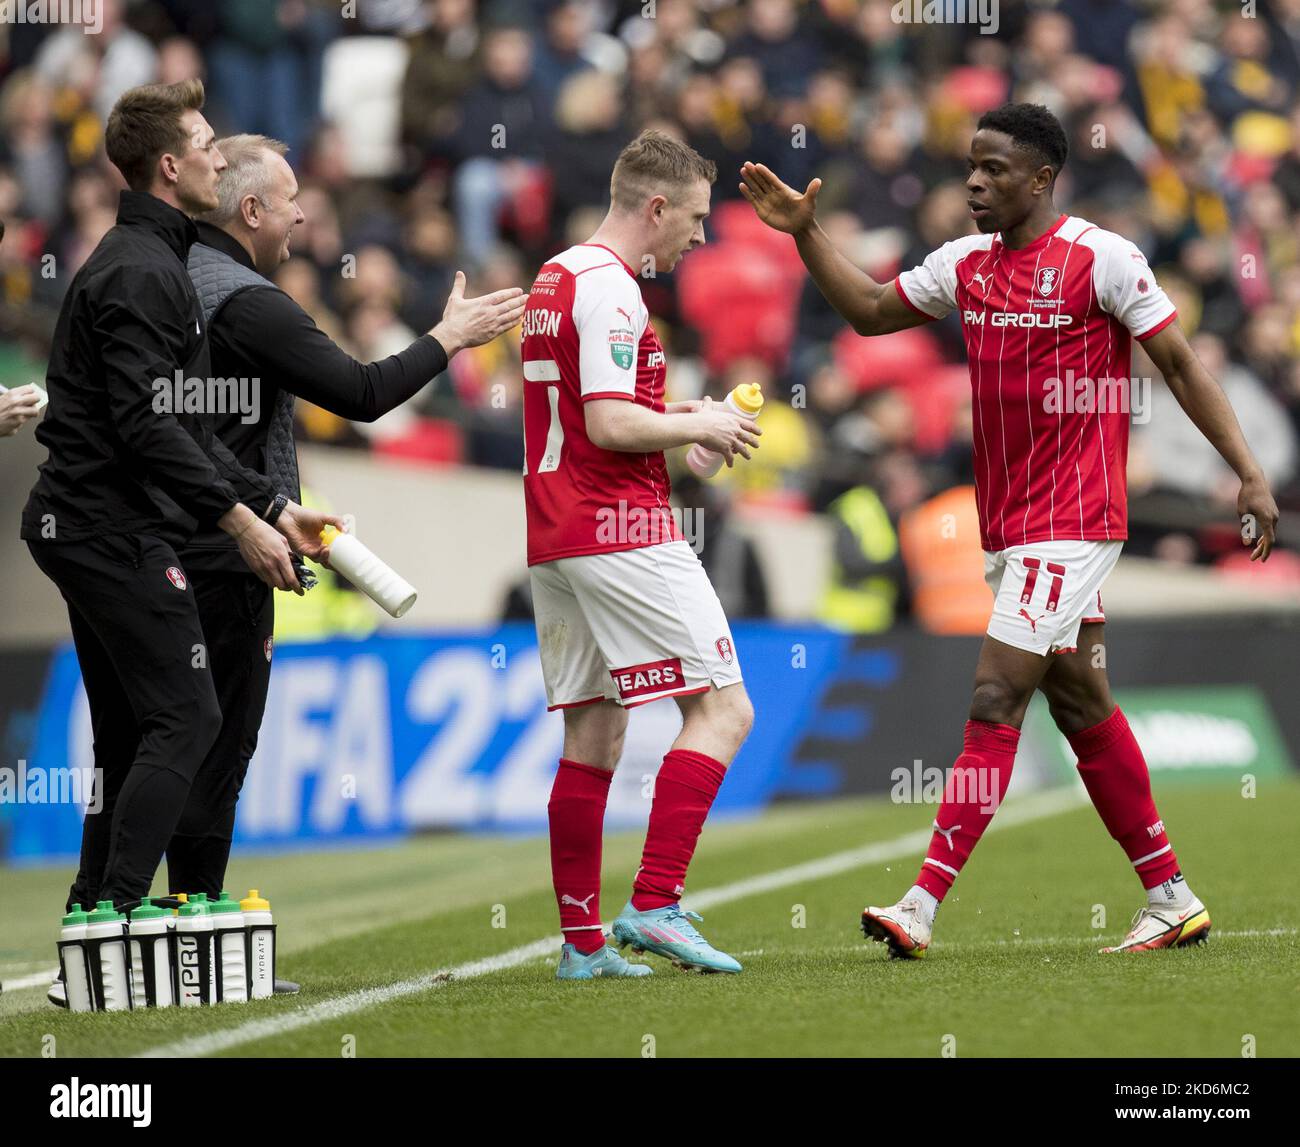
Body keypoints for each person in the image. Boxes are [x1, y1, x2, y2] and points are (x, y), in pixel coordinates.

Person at [742, 102, 1280, 957]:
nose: (974, 183)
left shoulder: (1104, 259)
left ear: (1040, 178)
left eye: (994, 170)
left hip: (1076, 519)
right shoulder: (967, 265)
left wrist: (1248, 472)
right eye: (971, 167)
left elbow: (1179, 362)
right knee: (1080, 703)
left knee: (995, 693)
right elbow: (874, 312)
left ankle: (920, 903)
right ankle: (1171, 894)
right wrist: (805, 236)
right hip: (1012, 527)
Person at [20, 80, 340, 960]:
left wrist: (275, 505)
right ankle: (118, 921)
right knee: (188, 719)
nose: (215, 151)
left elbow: (182, 425)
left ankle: (91, 923)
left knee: (131, 733)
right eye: (203, 141)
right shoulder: (140, 271)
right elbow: (146, 425)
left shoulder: (153, 264)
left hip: (96, 522)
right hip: (104, 526)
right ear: (171, 166)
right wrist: (240, 521)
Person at [164, 133, 526, 904]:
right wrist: (449, 337)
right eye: (292, 201)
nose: (302, 218)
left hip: (175, 534)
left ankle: (136, 914)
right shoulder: (249, 301)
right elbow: (362, 392)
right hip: (224, 546)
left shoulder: (168, 277)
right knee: (217, 742)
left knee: (174, 736)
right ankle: (192, 921)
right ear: (252, 207)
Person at [521, 130, 761, 980]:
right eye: (694, 218)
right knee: (726, 710)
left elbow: (600, 415)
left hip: (555, 531)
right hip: (616, 527)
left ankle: (582, 945)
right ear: (654, 207)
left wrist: (687, 420)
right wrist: (697, 422)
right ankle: (656, 902)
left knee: (594, 728)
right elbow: (610, 423)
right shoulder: (616, 291)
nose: (699, 238)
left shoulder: (557, 274)